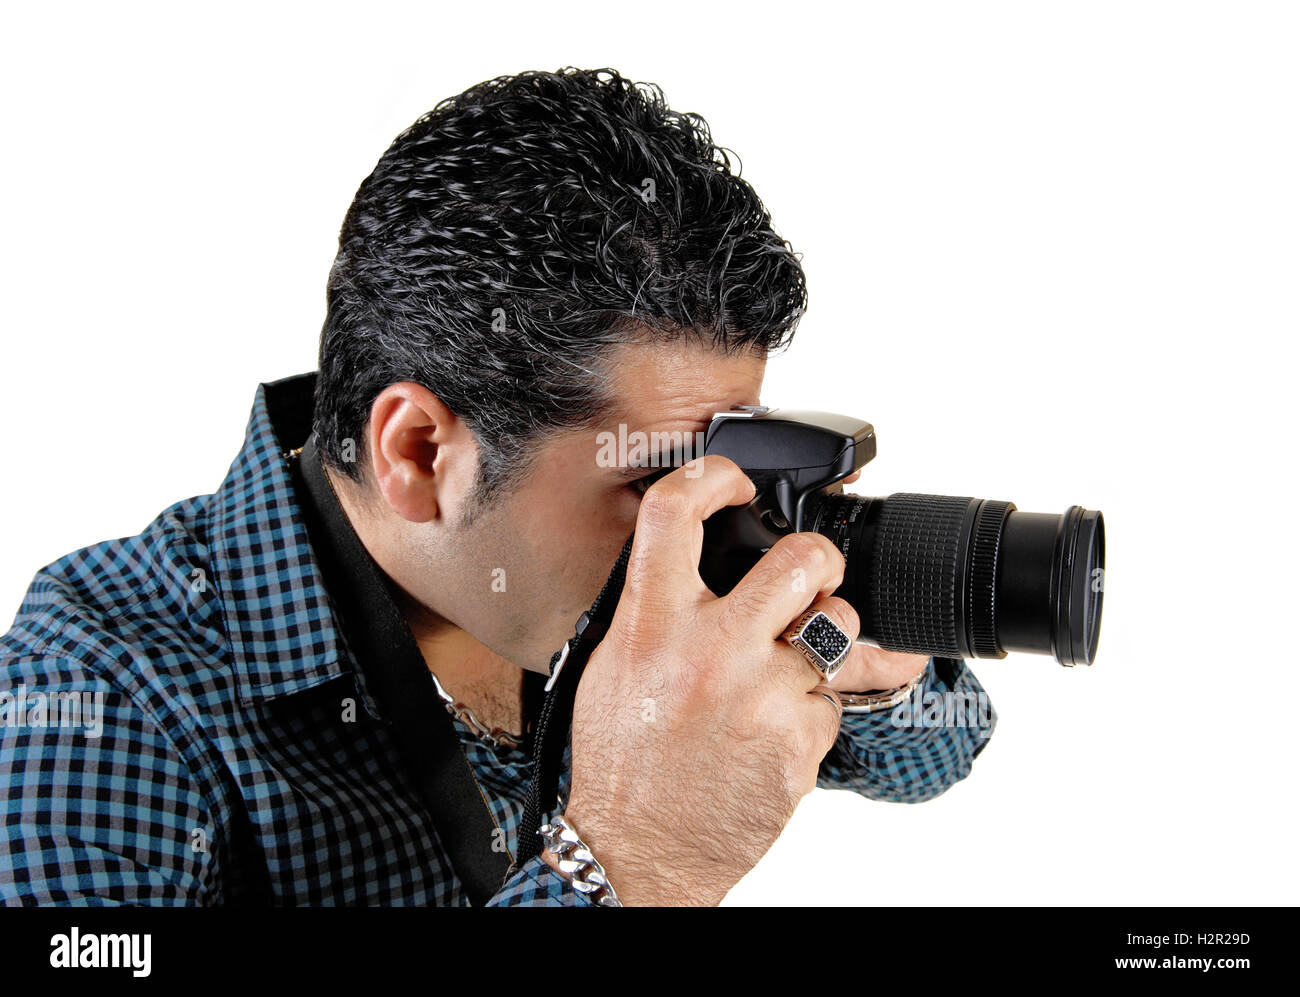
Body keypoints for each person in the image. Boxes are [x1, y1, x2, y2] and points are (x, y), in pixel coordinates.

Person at [0, 67, 995, 906]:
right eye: (653, 472)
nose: (695, 518)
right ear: (421, 453)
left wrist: (876, 676)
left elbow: (934, 754)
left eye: (724, 451)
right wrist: (626, 863)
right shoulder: (91, 704)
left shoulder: (543, 563)